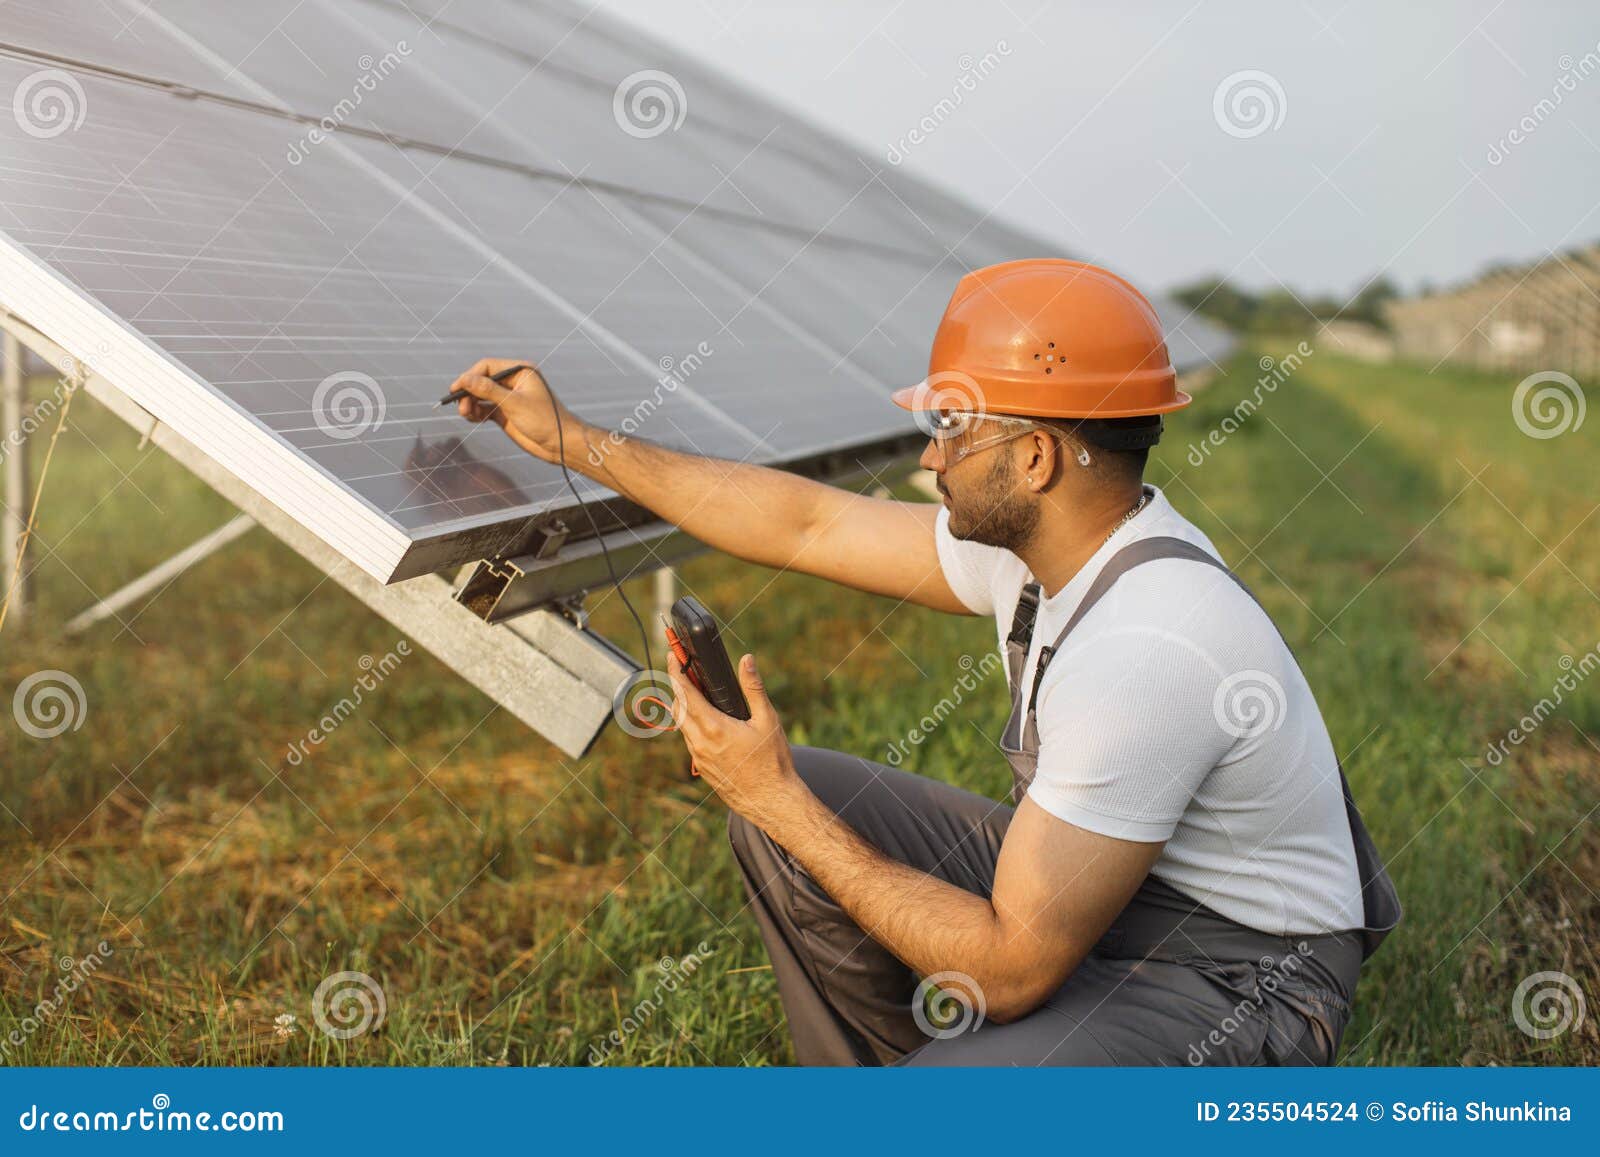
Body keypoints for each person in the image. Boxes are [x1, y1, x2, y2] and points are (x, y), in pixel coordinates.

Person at [444, 258, 1401, 1066]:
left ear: (1033, 458)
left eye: (953, 425)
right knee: (802, 813)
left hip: (1239, 972)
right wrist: (571, 440)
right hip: (1118, 893)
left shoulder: (1148, 646)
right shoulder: (1049, 546)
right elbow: (804, 521)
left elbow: (1014, 966)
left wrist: (770, 792)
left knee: (793, 808)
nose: (932, 454)